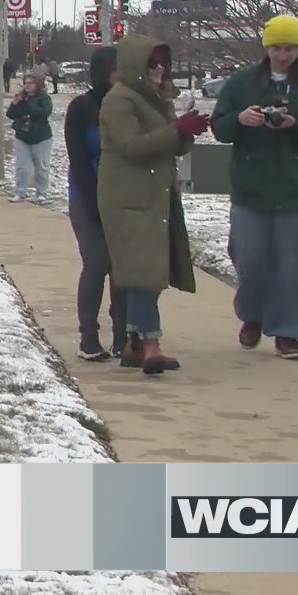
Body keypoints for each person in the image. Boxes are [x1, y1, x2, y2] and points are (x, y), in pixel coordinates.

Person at [211, 14, 298, 360]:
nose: (283, 55)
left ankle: (287, 331)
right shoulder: (242, 84)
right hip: (251, 188)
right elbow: (220, 128)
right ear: (266, 48)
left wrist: (295, 125)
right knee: (249, 258)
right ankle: (252, 315)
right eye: (276, 48)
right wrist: (241, 120)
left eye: (289, 48)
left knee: (294, 265)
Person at [98, 36, 210, 375]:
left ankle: (134, 341)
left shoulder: (158, 99)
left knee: (144, 270)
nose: (159, 72)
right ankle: (150, 344)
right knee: (144, 273)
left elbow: (171, 146)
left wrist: (187, 132)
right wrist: (176, 129)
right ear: (136, 66)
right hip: (127, 198)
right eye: (152, 65)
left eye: (163, 65)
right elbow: (131, 145)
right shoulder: (120, 100)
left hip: (155, 195)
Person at [65, 47, 129, 361]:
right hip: (86, 196)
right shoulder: (82, 108)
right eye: (116, 69)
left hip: (124, 199)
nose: (121, 75)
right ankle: (88, 336)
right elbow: (77, 159)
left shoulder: (131, 107)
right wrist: (93, 203)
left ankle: (122, 336)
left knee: (122, 268)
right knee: (97, 263)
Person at [7, 70, 55, 203]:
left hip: (41, 136)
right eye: (26, 83)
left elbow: (44, 112)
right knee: (21, 166)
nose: (27, 86)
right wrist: (15, 104)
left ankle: (41, 193)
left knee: (41, 166)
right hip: (22, 135)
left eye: (31, 83)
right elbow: (11, 115)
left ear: (38, 85)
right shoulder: (21, 98)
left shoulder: (43, 98)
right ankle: (20, 192)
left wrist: (26, 106)